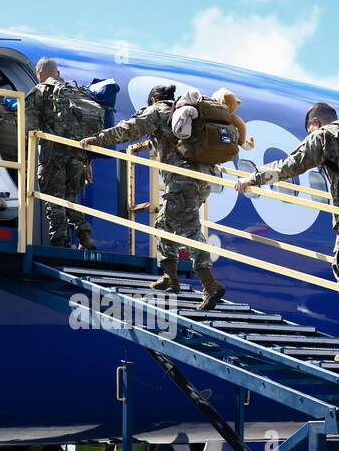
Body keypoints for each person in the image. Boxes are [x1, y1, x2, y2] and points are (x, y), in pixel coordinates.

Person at [235, 102, 339, 362]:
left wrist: (253, 178)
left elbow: (291, 164)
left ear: (315, 123)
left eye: (308, 129)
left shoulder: (325, 135)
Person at [80, 88, 227, 311]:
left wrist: (98, 139)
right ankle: (170, 278)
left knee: (190, 231)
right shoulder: (182, 112)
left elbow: (128, 129)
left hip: (182, 181)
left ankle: (210, 285)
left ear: (151, 99)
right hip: (202, 179)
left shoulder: (159, 111)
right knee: (163, 225)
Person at [25, 57, 96, 250]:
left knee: (54, 198)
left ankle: (60, 241)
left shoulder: (39, 92)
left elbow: (29, 129)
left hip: (52, 154)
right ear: (58, 73)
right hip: (78, 154)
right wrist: (87, 161)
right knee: (71, 196)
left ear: (39, 73)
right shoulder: (76, 92)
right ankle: (84, 235)